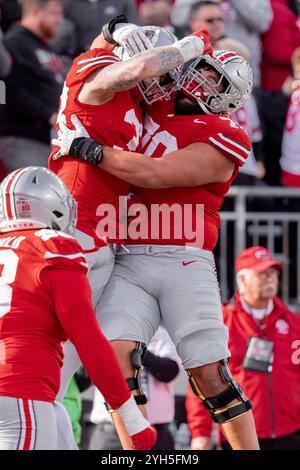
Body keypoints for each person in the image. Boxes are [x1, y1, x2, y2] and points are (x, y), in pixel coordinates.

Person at [54, 49, 260, 450]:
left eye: (215, 82)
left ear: (230, 99)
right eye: (202, 71)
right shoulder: (156, 104)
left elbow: (157, 173)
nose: (201, 82)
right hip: (129, 256)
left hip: (184, 259)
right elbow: (120, 75)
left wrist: (91, 150)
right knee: (114, 362)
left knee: (209, 374)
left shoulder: (225, 132)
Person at [49, 17, 210, 415]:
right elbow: (138, 69)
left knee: (64, 369)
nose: (168, 81)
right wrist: (191, 45)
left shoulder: (137, 103)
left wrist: (110, 29)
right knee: (49, 361)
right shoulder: (95, 78)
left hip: (103, 237)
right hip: (75, 233)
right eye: (165, 68)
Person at [0, 166, 156, 450]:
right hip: (19, 389)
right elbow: (88, 341)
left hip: (27, 395)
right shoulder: (53, 246)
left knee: (59, 423)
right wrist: (132, 419)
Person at [186, 246, 300, 450]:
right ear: (242, 280)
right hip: (238, 433)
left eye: (273, 273)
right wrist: (200, 433)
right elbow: (201, 378)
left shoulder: (293, 323)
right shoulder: (222, 322)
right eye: (262, 273)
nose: (270, 278)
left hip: (290, 433)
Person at [0, 0, 65, 171]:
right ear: (36, 11)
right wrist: (49, 115)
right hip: (22, 139)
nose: (59, 19)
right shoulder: (15, 42)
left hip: (46, 140)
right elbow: (10, 90)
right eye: (54, 13)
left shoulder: (46, 47)